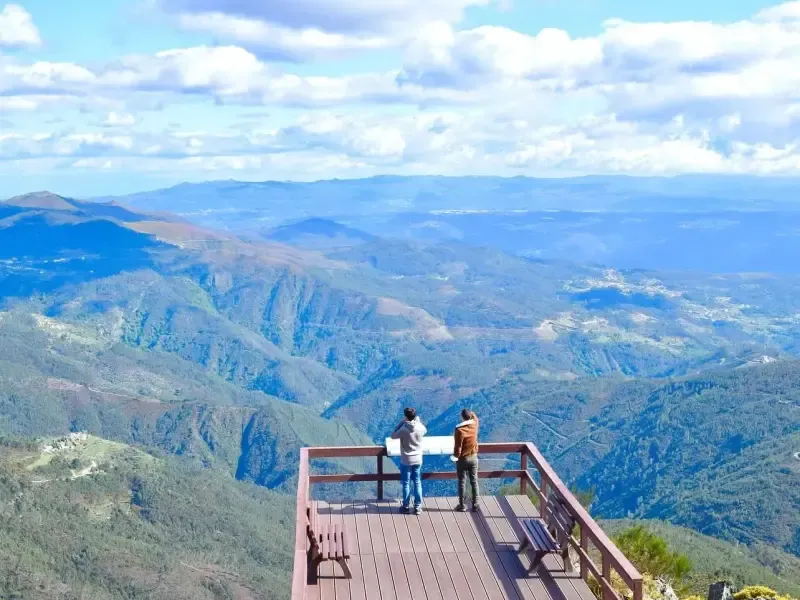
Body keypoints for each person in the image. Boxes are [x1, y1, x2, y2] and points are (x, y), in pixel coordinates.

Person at [391, 407, 427, 515]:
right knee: (417, 482)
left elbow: (393, 436)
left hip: (406, 459)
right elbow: (425, 430)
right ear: (415, 416)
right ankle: (417, 507)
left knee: (406, 483)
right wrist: (418, 421)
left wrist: (401, 423)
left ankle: (406, 506)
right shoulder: (420, 427)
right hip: (418, 459)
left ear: (405, 417)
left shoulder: (403, 430)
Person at [453, 408, 479, 512]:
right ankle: (475, 504)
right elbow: (475, 416)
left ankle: (462, 505)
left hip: (463, 459)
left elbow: (458, 447)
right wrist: (470, 413)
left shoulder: (460, 430)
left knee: (462, 482)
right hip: (473, 457)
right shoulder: (475, 424)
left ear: (462, 417)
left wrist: (455, 457)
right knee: (474, 481)